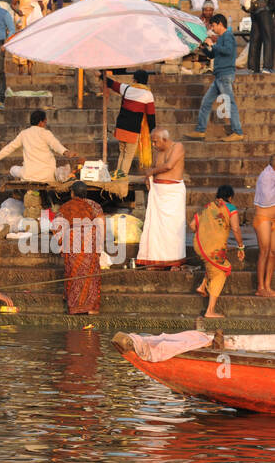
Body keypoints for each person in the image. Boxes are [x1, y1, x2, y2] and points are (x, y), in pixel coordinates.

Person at [189, 14, 243, 143]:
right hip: (219, 76)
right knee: (206, 102)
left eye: (213, 25)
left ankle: (238, 132)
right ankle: (200, 130)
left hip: (225, 75)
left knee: (230, 104)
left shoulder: (228, 35)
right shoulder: (222, 38)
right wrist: (205, 48)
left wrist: (212, 44)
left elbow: (228, 51)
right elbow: (214, 54)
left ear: (220, 24)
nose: (212, 28)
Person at [138, 130, 188, 270]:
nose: (153, 145)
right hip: (158, 193)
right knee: (155, 229)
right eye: (152, 142)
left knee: (172, 228)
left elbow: (169, 166)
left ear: (165, 139)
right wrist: (149, 178)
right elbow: (155, 167)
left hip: (173, 194)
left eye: (155, 142)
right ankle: (156, 261)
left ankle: (174, 261)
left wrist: (151, 172)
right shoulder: (158, 151)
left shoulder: (178, 147)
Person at [192, 185, 244, 318]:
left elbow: (192, 224)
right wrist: (240, 246)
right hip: (213, 249)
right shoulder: (231, 208)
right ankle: (210, 311)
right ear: (230, 197)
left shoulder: (208, 206)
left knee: (213, 265)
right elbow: (236, 229)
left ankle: (203, 286)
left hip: (199, 244)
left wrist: (206, 235)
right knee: (222, 271)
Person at [0, 109, 80, 182]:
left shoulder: (24, 134)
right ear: (41, 122)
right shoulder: (46, 133)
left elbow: (10, 147)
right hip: (48, 175)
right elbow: (56, 145)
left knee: (12, 169)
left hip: (29, 175)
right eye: (45, 121)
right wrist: (66, 152)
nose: (45, 123)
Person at [54, 181, 104, 316]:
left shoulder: (65, 207)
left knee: (74, 274)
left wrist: (61, 244)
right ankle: (91, 308)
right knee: (91, 276)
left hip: (72, 242)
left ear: (72, 193)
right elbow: (100, 226)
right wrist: (99, 246)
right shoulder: (95, 206)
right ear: (85, 193)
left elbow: (57, 228)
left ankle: (75, 308)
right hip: (90, 241)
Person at [104, 69, 156, 177]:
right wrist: (153, 132)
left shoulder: (126, 88)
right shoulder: (148, 94)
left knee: (122, 153)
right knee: (128, 155)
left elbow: (111, 83)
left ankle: (118, 175)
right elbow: (151, 116)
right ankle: (121, 177)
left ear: (135, 80)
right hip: (133, 129)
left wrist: (100, 75)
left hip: (121, 127)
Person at [247, 0, 275, 75]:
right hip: (264, 10)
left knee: (255, 37)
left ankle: (253, 67)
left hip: (254, 9)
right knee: (269, 37)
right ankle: (267, 67)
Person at [256, 155, 275, 296]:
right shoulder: (266, 176)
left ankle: (268, 286)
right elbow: (267, 199)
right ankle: (260, 287)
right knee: (265, 251)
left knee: (273, 253)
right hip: (263, 218)